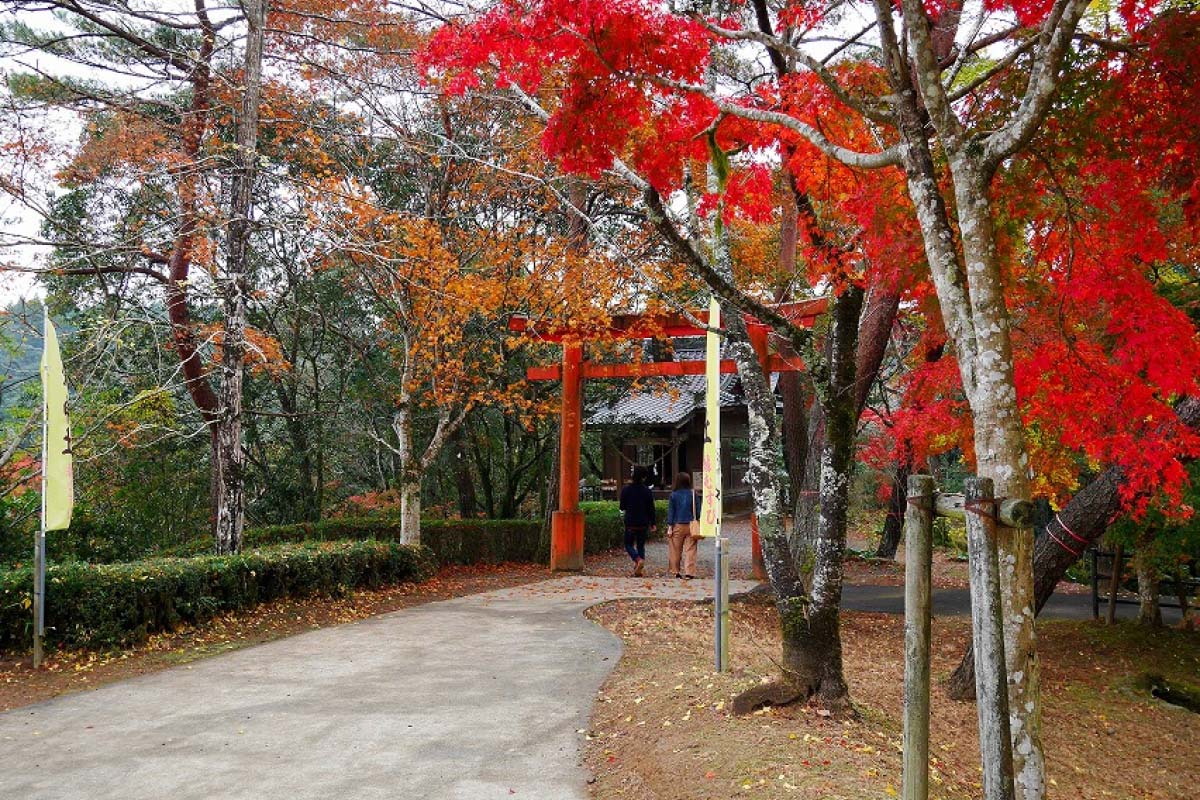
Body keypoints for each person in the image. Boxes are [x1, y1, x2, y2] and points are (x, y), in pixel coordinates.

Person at [619, 465, 656, 576]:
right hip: (643, 523)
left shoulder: (626, 490)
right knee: (641, 546)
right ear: (644, 477)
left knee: (628, 544)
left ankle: (637, 559)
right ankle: (639, 568)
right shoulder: (647, 491)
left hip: (630, 522)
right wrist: (653, 523)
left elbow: (622, 506)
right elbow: (651, 509)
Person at [666, 472, 701, 579]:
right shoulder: (693, 494)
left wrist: (670, 526)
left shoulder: (673, 495)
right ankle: (689, 572)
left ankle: (675, 571)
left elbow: (671, 512)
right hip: (691, 525)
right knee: (691, 549)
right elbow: (698, 511)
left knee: (675, 549)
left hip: (677, 525)